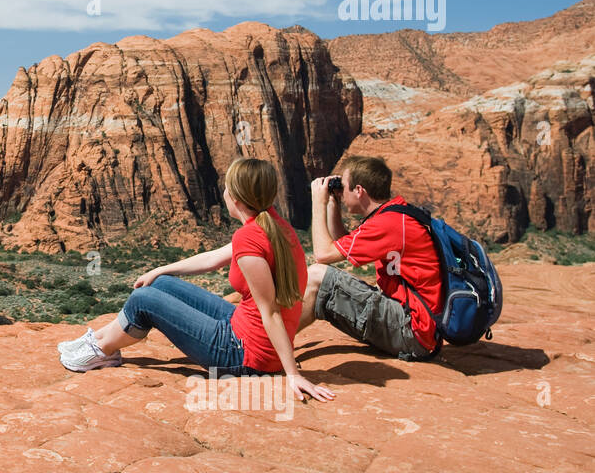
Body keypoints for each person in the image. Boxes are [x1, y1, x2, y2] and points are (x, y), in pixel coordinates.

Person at [59, 157, 335, 402]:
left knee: (143, 300)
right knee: (159, 284)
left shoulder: (250, 237)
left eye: (226, 187)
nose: (223, 192)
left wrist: (292, 373)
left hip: (244, 356)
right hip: (243, 330)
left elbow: (271, 311)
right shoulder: (272, 223)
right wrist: (160, 270)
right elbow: (213, 258)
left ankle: (102, 349)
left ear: (235, 197)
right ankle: (100, 338)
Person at [299, 155, 442, 360]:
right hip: (415, 328)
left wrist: (317, 202)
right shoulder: (393, 215)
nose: (342, 191)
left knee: (316, 276)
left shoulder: (388, 224)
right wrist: (332, 202)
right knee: (325, 279)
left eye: (344, 187)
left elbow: (322, 255)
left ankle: (269, 348)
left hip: (411, 331)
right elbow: (342, 245)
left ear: (359, 191)